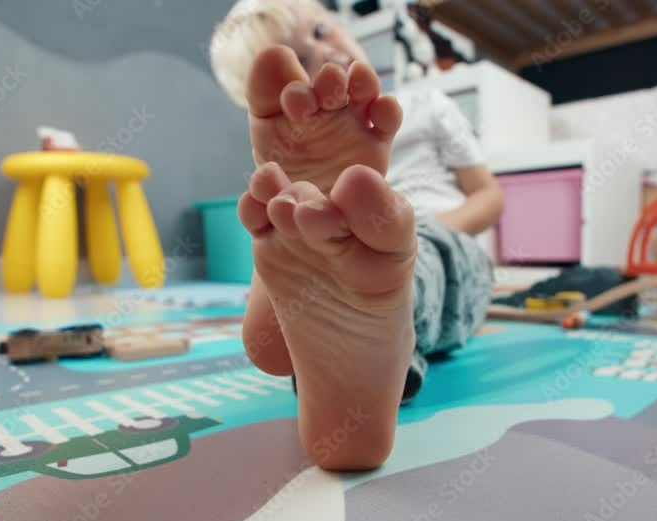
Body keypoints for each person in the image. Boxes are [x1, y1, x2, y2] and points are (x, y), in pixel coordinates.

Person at [209, 0, 503, 470]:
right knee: (321, 246)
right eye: (300, 62)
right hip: (354, 253)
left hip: (449, 251)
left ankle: (331, 303)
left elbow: (490, 197)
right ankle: (336, 333)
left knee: (368, 261)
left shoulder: (429, 103)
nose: (324, 54)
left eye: (322, 31)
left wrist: (419, 234)